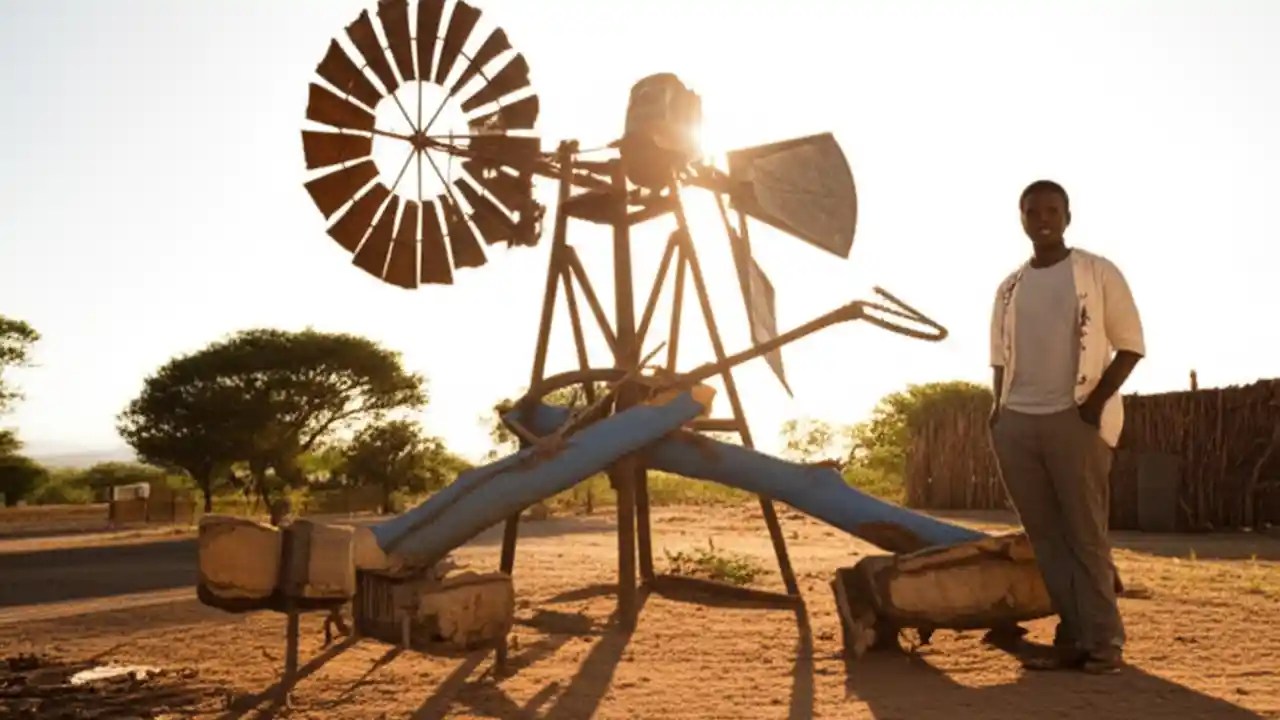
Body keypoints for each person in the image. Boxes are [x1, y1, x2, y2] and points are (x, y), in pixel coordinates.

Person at [988, 179, 1145, 674]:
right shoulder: (1009, 287)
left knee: (1084, 535)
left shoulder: (1096, 273)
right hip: (1017, 422)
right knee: (1045, 537)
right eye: (1032, 211)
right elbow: (998, 357)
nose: (1042, 219)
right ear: (1021, 218)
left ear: (1067, 216)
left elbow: (1131, 345)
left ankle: (1105, 643)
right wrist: (998, 411)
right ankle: (1073, 636)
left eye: (1052, 210)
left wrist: (1093, 407)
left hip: (1074, 419)